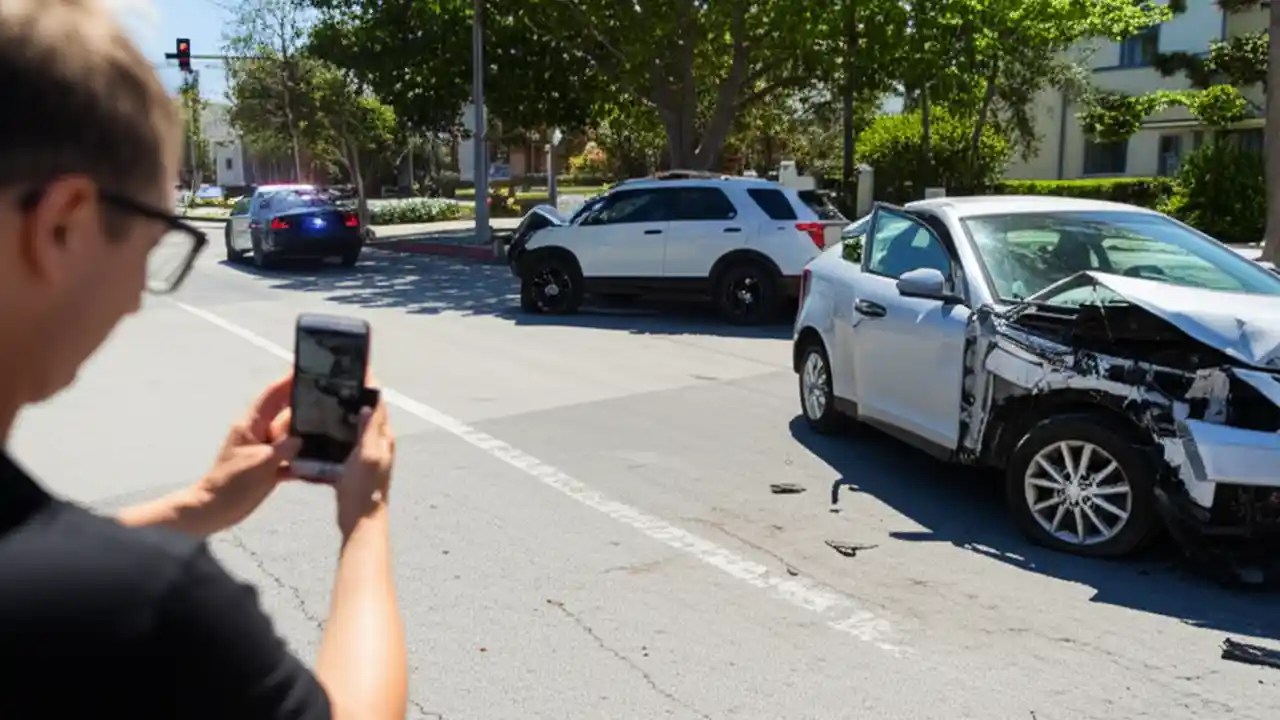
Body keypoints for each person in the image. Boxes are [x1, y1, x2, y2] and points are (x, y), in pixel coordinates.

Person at [0, 1, 407, 718]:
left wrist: (197, 505)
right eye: (157, 239)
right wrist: (365, 515)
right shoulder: (149, 608)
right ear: (62, 226)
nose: (133, 302)